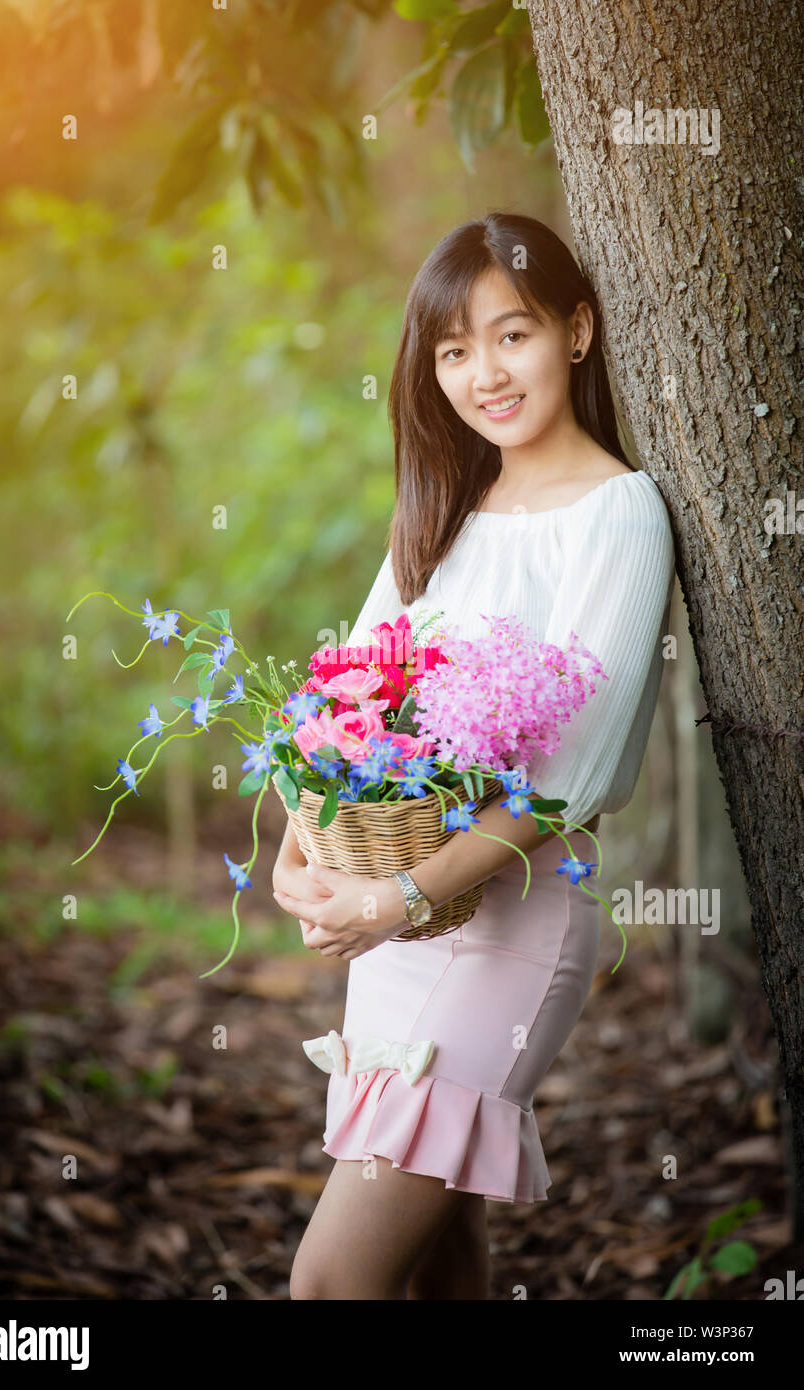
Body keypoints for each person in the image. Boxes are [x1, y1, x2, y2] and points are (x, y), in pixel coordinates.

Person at [271, 211, 676, 1300]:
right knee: (437, 1265)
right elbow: (334, 708)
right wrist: (297, 853)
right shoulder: (444, 510)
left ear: (575, 331)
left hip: (503, 920)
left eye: (511, 335)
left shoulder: (619, 515)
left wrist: (397, 895)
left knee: (331, 1283)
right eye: (453, 350)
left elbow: (568, 780)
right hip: (396, 930)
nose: (482, 374)